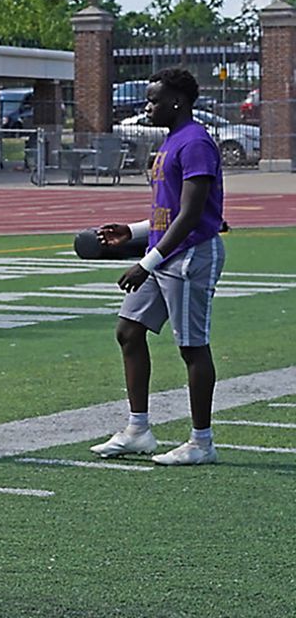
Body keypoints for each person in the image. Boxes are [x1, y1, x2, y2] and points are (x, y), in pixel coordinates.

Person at [89, 68, 225, 466]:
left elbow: (191, 215)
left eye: (154, 100)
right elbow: (169, 213)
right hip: (167, 253)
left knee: (192, 346)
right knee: (128, 331)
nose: (147, 107)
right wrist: (130, 231)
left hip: (190, 255)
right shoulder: (172, 142)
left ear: (177, 102)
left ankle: (202, 441)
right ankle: (138, 429)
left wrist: (145, 264)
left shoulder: (196, 142)